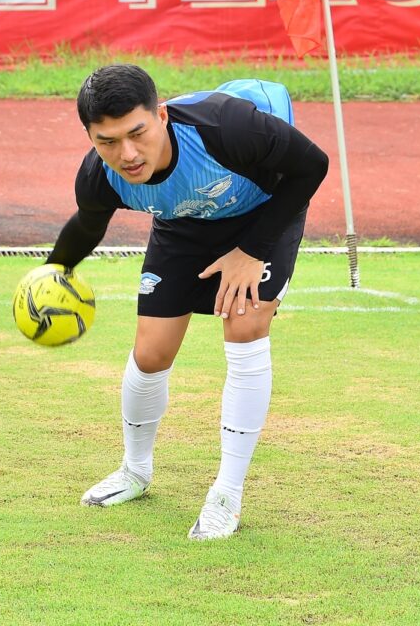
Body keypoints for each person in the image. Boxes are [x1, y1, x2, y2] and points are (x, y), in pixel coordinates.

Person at [45, 64, 328, 540]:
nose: (127, 154)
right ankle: (135, 471)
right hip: (184, 223)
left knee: (245, 324)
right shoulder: (101, 176)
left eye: (137, 133)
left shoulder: (226, 128)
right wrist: (55, 272)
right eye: (107, 141)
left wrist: (252, 250)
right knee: (150, 352)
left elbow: (311, 166)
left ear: (161, 115)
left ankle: (226, 494)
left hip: (265, 207)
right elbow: (88, 225)